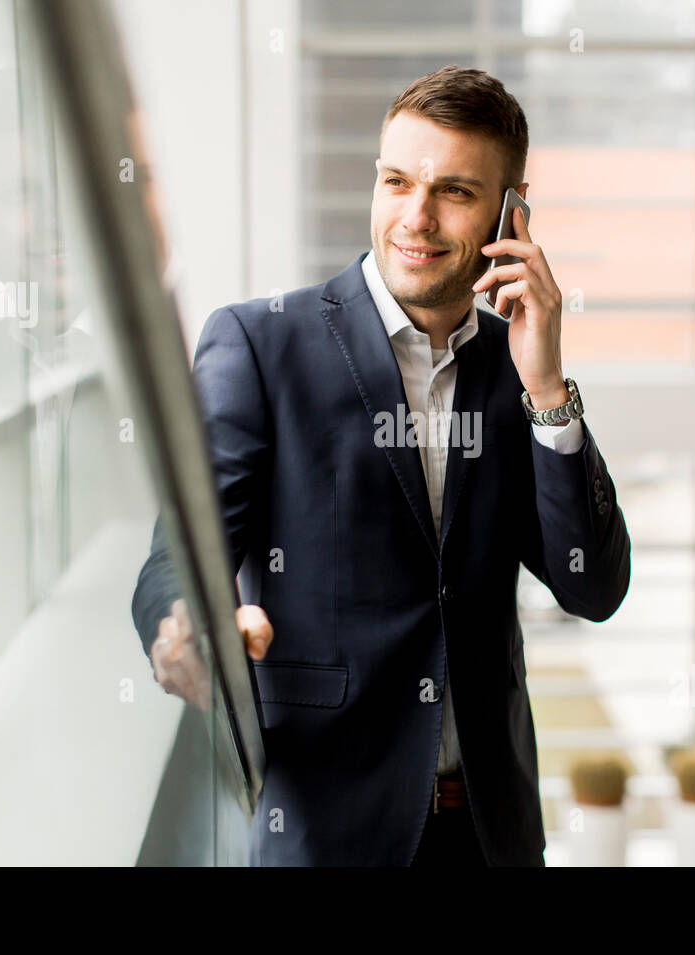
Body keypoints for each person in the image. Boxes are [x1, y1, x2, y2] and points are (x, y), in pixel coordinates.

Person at [131, 65, 631, 866]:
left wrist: (547, 386)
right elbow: (178, 556)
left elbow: (593, 587)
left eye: (456, 193)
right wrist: (186, 625)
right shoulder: (261, 347)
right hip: (329, 832)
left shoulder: (518, 372)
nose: (416, 217)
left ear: (513, 210)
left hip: (487, 835)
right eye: (396, 181)